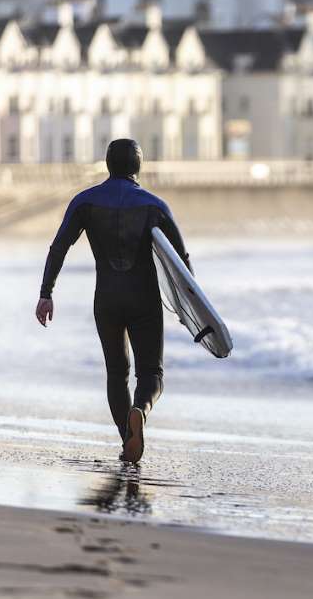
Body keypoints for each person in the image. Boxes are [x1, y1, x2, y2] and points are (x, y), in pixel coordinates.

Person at [35, 139, 191, 464]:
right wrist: (188, 310)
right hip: (144, 297)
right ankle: (141, 411)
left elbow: (59, 247)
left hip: (106, 298)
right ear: (139, 165)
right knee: (151, 373)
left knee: (116, 373)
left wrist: (46, 293)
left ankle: (127, 440)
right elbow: (181, 261)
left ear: (108, 164)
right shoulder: (154, 205)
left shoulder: (85, 202)